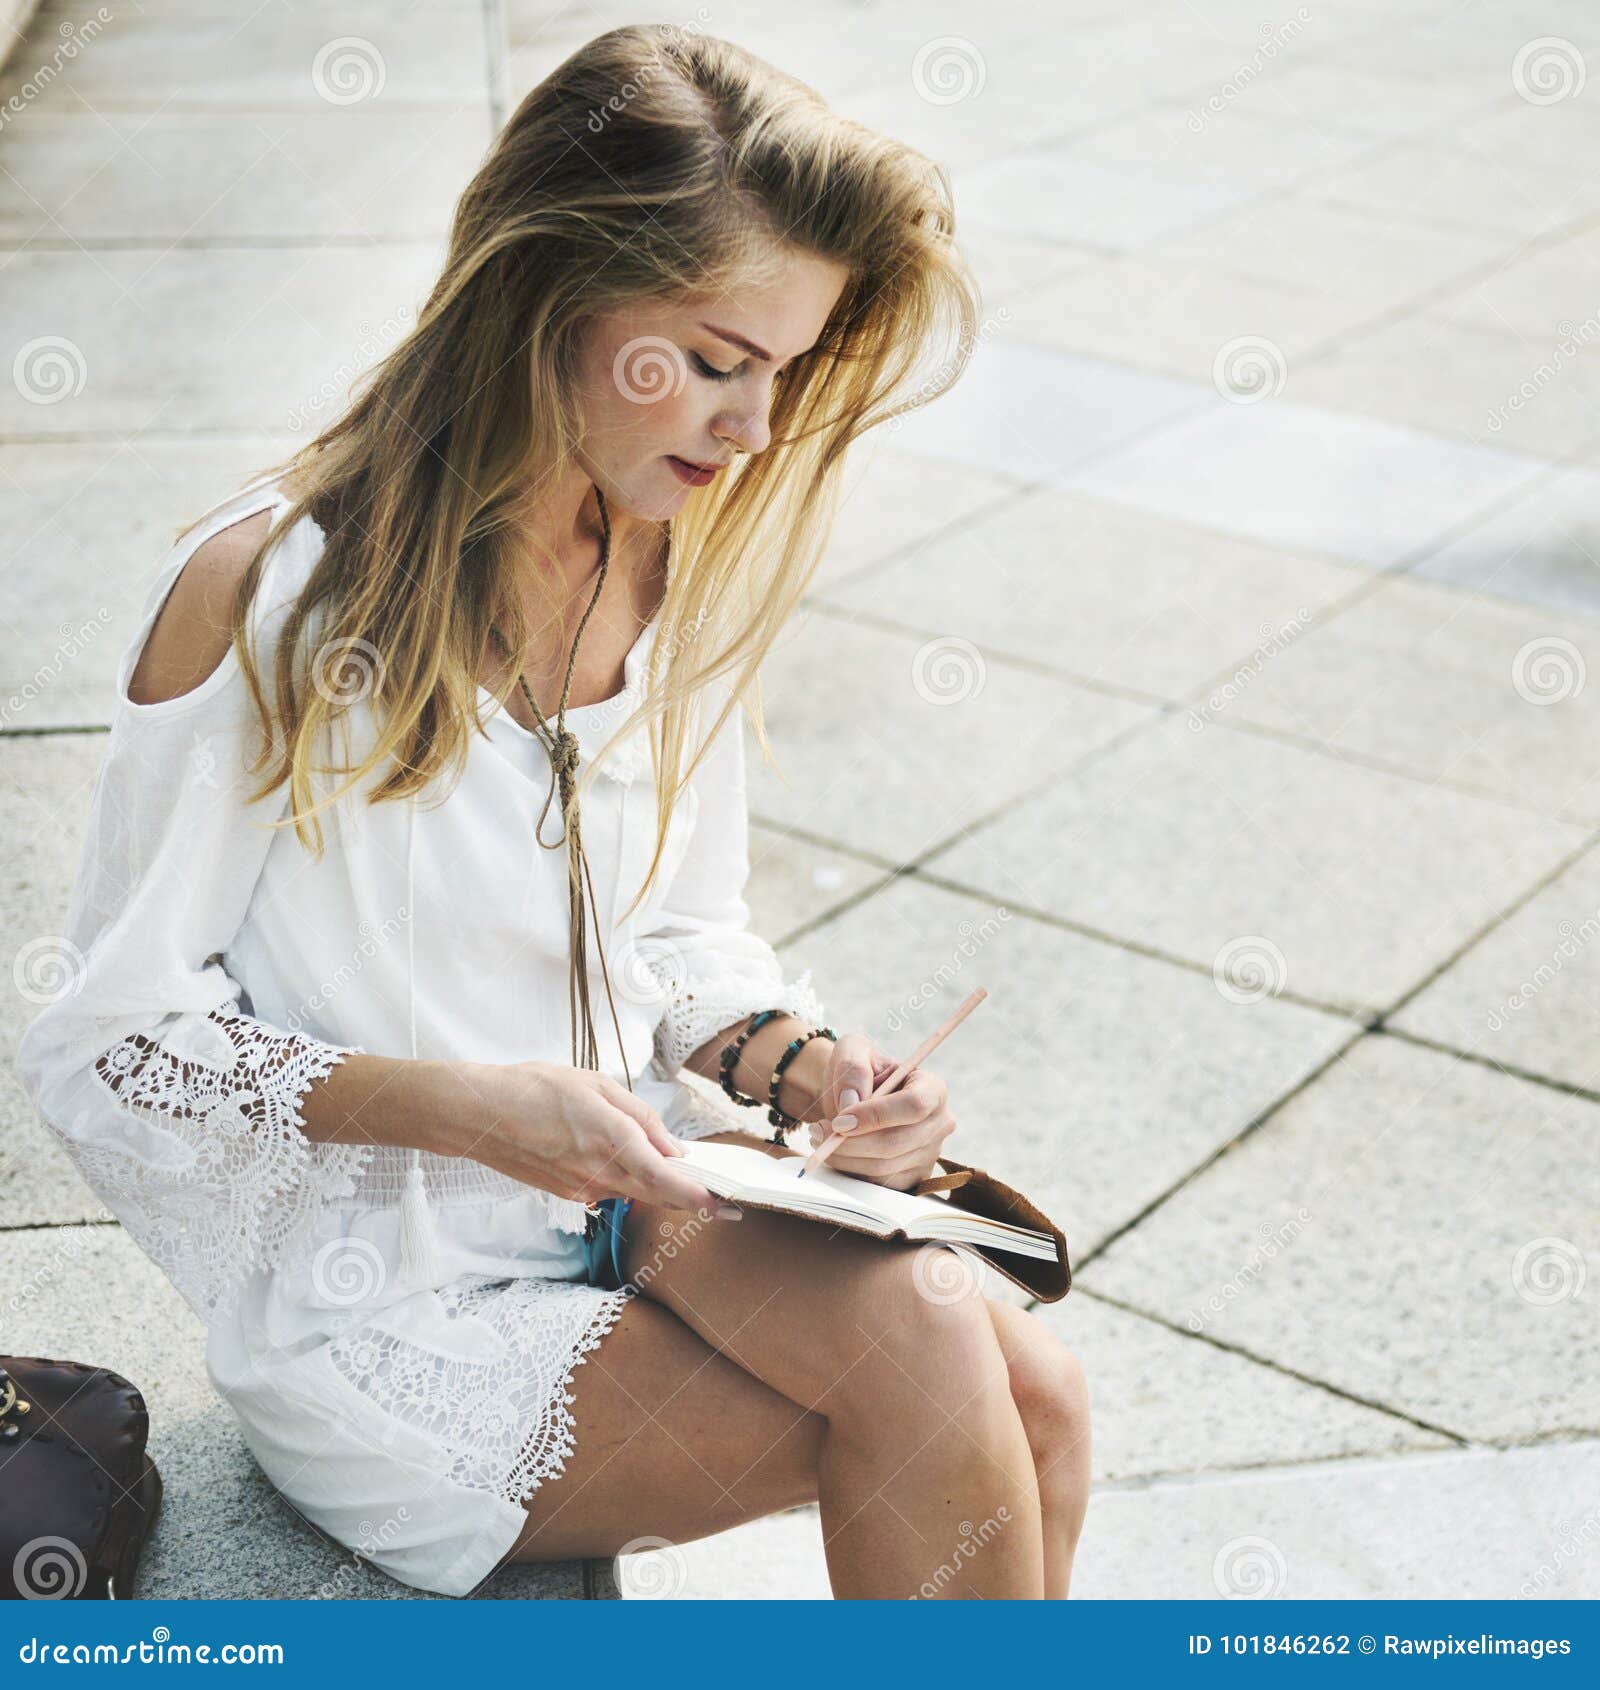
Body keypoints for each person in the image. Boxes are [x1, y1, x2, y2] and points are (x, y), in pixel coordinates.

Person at [17, 24, 1089, 1600]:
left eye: (786, 372)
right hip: (387, 1307)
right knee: (947, 1390)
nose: (756, 429)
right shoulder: (269, 598)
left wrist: (800, 1067)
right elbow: (105, 1043)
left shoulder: (666, 559)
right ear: (549, 297)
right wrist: (469, 1107)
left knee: (1039, 1390)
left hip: (640, 1213)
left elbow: (676, 929)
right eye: (721, 359)